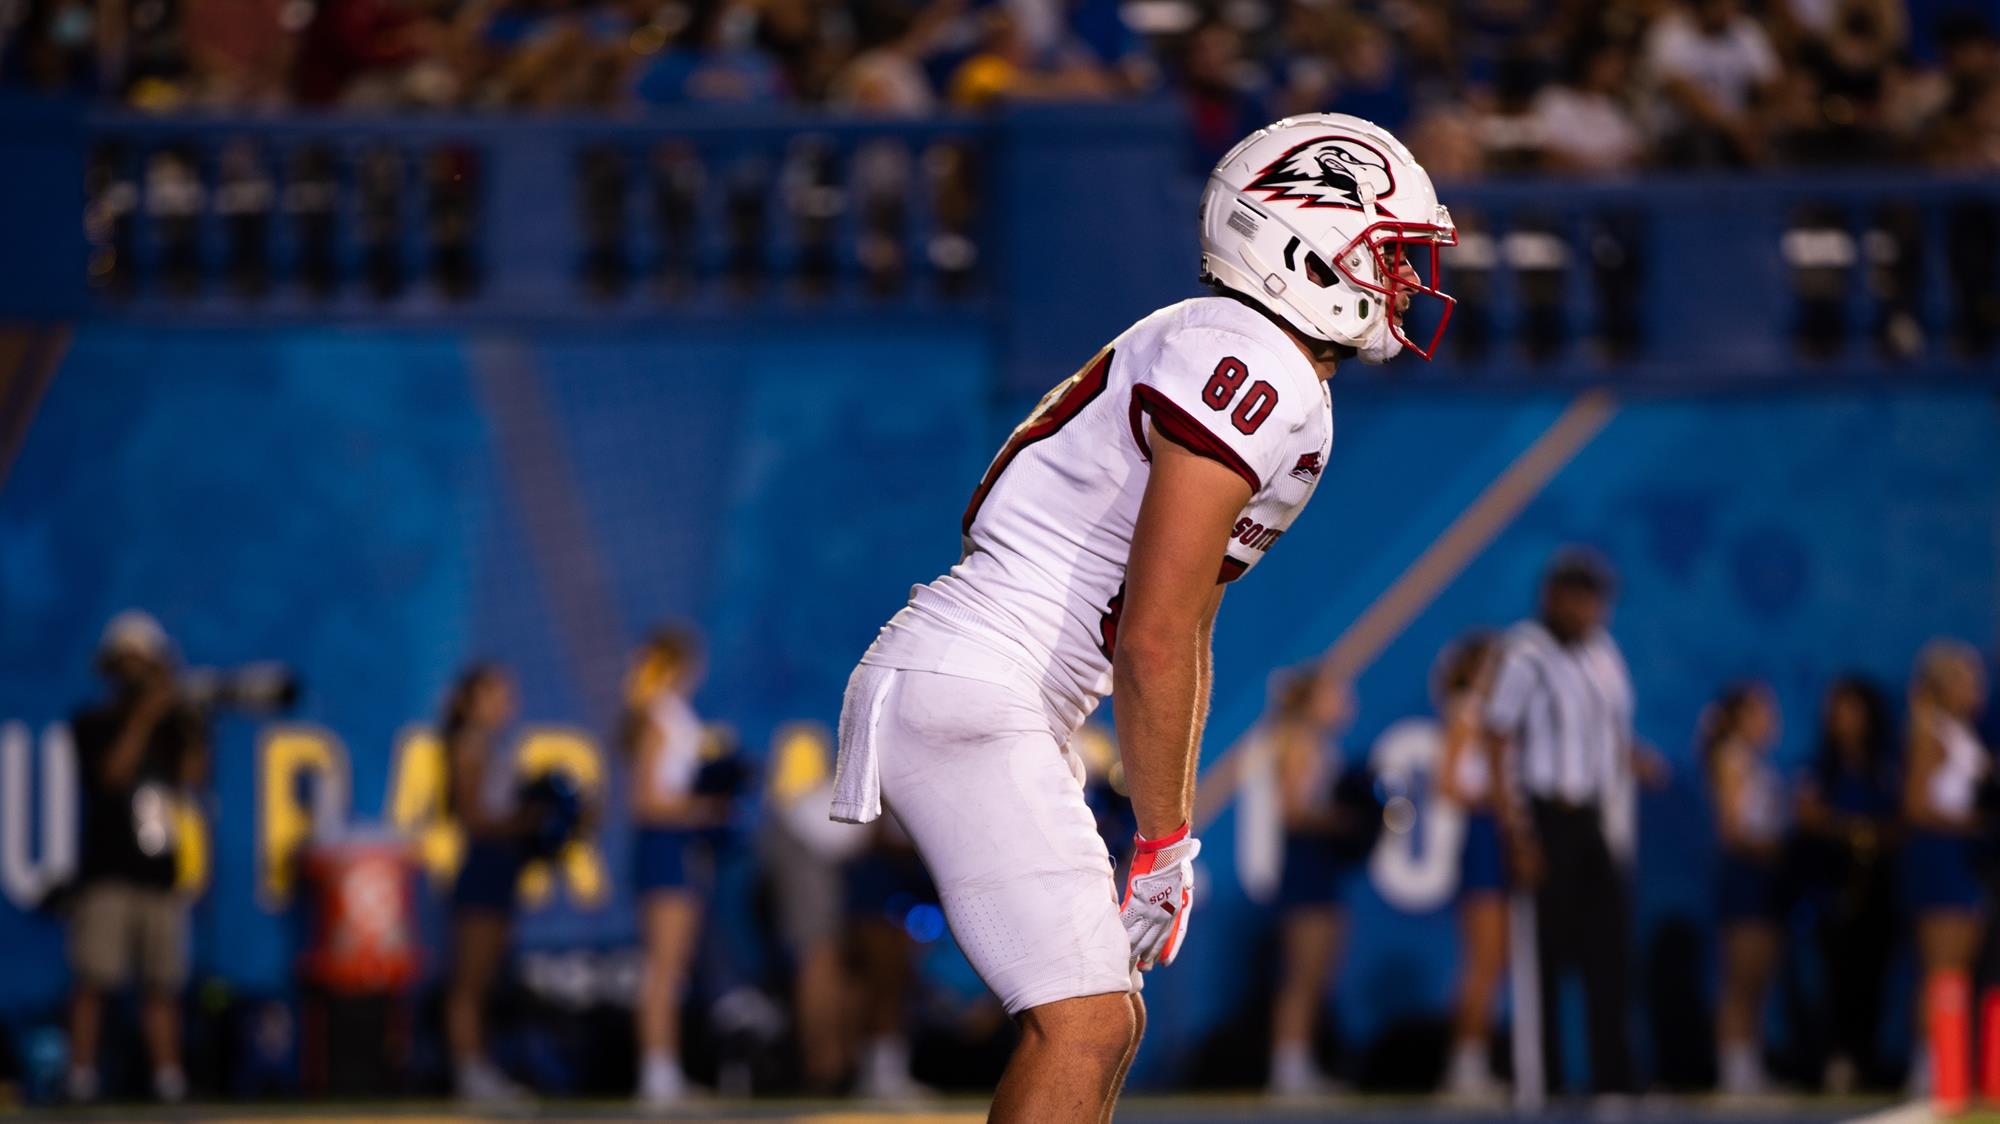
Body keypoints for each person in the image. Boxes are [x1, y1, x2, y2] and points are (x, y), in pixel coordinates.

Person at [830, 113, 1457, 1122]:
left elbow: (1185, 628)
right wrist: (1163, 837)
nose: (1404, 282)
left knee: (1099, 1017)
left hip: (987, 679)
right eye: (1387, 255)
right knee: (1085, 1018)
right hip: (977, 673)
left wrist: (1172, 836)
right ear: (1299, 247)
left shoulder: (1269, 373)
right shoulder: (1249, 354)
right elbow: (1153, 633)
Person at [1486, 548, 1639, 1098]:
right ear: (1554, 597)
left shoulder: (1602, 652)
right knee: (1542, 956)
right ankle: (1542, 1084)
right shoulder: (1526, 653)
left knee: (1610, 950)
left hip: (1595, 817)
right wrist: (1518, 833)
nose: (1591, 610)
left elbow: (1611, 731)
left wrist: (1629, 765)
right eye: (1581, 598)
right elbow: (1498, 738)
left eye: (1596, 599)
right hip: (1546, 818)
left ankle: (1613, 1080)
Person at [65, 611, 206, 1105]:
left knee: (162, 985)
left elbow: (194, 777)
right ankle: (80, 1076)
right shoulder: (94, 722)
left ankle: (169, 1078)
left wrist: (184, 714)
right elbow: (113, 775)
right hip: (107, 870)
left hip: (158, 871)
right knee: (95, 979)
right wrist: (143, 716)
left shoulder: (171, 727)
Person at [621, 626, 725, 1106]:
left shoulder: (669, 714)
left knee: (672, 967)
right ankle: (657, 1073)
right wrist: (702, 809)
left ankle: (665, 1069)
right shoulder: (659, 715)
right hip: (663, 844)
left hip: (676, 845)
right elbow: (646, 800)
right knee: (663, 967)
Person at [1794, 674, 1898, 1092]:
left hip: (1879, 886)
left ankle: (1865, 1059)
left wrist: (1862, 833)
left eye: (1853, 710)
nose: (1844, 720)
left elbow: (1899, 824)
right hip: (1830, 885)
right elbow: (1810, 816)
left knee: (1872, 976)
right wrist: (1856, 832)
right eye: (1838, 711)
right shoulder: (1820, 767)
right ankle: (1834, 1060)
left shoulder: (1886, 765)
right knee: (1832, 976)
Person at [440, 662, 537, 1104]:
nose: (505, 702)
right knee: (470, 980)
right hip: (483, 864)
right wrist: (524, 822)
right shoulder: (470, 746)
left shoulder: (492, 745)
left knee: (487, 978)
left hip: (500, 865)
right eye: (495, 694)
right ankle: (468, 1070)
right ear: (472, 700)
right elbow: (472, 817)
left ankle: (481, 1065)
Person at [1900, 640, 1990, 1094]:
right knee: (1940, 967)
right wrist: (1974, 822)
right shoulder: (1929, 731)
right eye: (1965, 678)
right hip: (1940, 855)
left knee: (1958, 969)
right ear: (1940, 686)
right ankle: (1926, 1067)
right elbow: (1916, 806)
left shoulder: (1963, 732)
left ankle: (1948, 1065)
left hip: (1965, 857)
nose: (1977, 687)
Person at [1263, 665, 1357, 1096]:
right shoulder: (1299, 743)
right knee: (1302, 974)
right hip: (1305, 864)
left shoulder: (1313, 743)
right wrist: (1343, 821)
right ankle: (1288, 1068)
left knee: (1317, 972)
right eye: (1334, 694)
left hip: (1319, 864)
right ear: (1312, 701)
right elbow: (1293, 811)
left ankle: (1300, 1061)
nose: (1343, 702)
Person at [1702, 681, 1785, 1096]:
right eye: (1761, 712)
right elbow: (1733, 829)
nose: (1771, 720)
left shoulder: (1754, 761)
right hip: (1745, 874)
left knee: (1758, 979)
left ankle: (1750, 1064)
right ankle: (1734, 1071)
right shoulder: (1730, 758)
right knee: (1740, 978)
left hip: (1764, 875)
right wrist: (1778, 847)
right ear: (1738, 718)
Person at [1436, 630, 1505, 1099]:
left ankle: (1476, 1060)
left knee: (1496, 959)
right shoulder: (1467, 712)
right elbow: (1448, 784)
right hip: (1483, 836)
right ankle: (1464, 1066)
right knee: (1482, 959)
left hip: (1498, 835)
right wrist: (1494, 799)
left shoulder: (1493, 716)